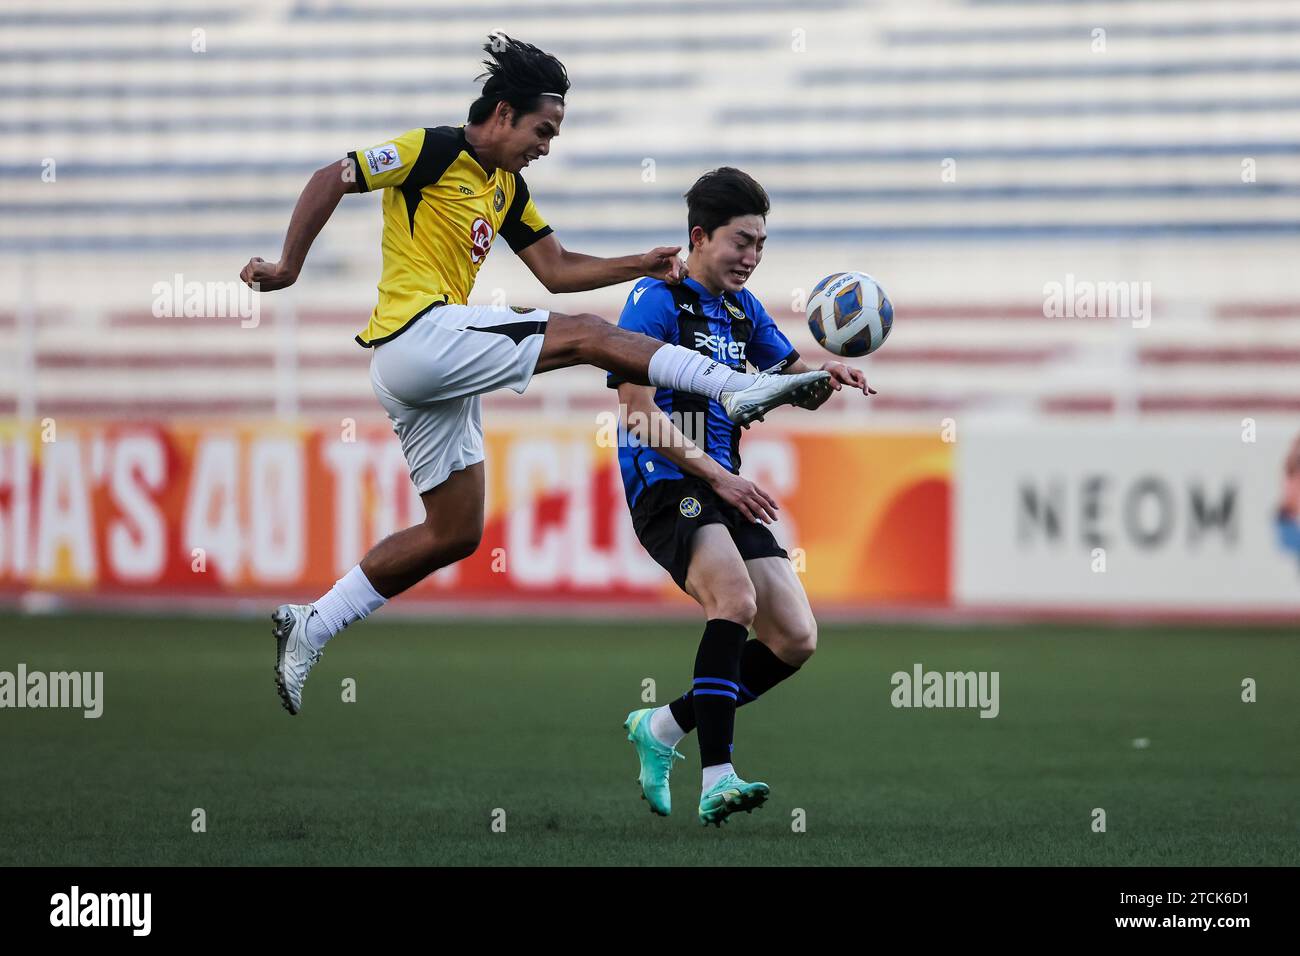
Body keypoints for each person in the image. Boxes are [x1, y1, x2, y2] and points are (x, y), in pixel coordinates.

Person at [238, 36, 830, 716]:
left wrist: (637, 263)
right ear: (501, 114)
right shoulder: (431, 150)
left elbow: (554, 267)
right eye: (542, 130)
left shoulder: (507, 188)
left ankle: (311, 623)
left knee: (455, 531)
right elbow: (332, 177)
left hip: (435, 369)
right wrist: (287, 267)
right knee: (583, 334)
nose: (546, 145)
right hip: (415, 335)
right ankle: (734, 386)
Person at [612, 168, 873, 825]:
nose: (752, 258)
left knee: (793, 637)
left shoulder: (742, 311)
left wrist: (824, 374)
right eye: (740, 242)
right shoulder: (655, 300)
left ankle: (665, 726)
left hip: (724, 483)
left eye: (761, 245)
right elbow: (637, 412)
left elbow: (788, 383)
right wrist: (717, 475)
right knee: (734, 599)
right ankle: (717, 778)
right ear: (699, 237)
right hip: (669, 481)